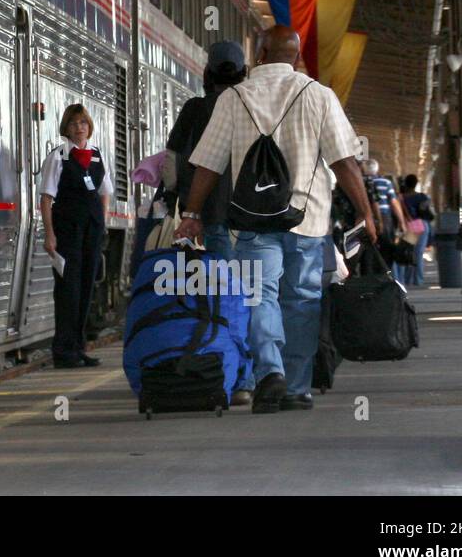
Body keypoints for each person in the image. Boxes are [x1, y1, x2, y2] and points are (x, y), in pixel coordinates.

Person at [174, 25, 377, 414]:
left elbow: (207, 164)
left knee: (258, 295)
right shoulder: (319, 95)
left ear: (260, 55)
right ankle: (296, 388)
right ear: (297, 58)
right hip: (309, 221)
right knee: (301, 301)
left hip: (252, 221)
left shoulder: (234, 97)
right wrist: (366, 212)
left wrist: (192, 213)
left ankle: (270, 371)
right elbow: (343, 161)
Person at [41, 103, 115, 369]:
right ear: (66, 128)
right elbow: (47, 199)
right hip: (67, 229)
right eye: (74, 123)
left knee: (86, 287)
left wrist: (102, 221)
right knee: (67, 289)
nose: (79, 127)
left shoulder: (96, 155)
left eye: (83, 123)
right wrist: (50, 235)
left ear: (89, 127)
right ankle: (63, 350)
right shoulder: (58, 156)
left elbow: (104, 191)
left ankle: (78, 346)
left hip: (91, 229)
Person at [164, 41, 249, 259]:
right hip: (250, 210)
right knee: (250, 278)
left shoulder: (195, 108)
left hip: (207, 208)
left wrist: (174, 196)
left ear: (208, 73)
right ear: (244, 73)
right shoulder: (251, 107)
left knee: (221, 279)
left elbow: (173, 158)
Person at [363, 159, 409, 278]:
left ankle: (369, 276)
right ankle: (385, 275)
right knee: (387, 247)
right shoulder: (385, 182)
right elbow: (394, 203)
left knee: (369, 248)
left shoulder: (361, 182)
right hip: (385, 217)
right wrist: (401, 222)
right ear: (377, 169)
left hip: (364, 217)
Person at [400, 173, 434, 286]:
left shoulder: (403, 198)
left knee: (409, 252)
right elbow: (428, 212)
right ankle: (418, 280)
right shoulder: (422, 197)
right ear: (416, 184)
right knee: (419, 253)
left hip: (411, 225)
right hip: (422, 224)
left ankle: (408, 280)